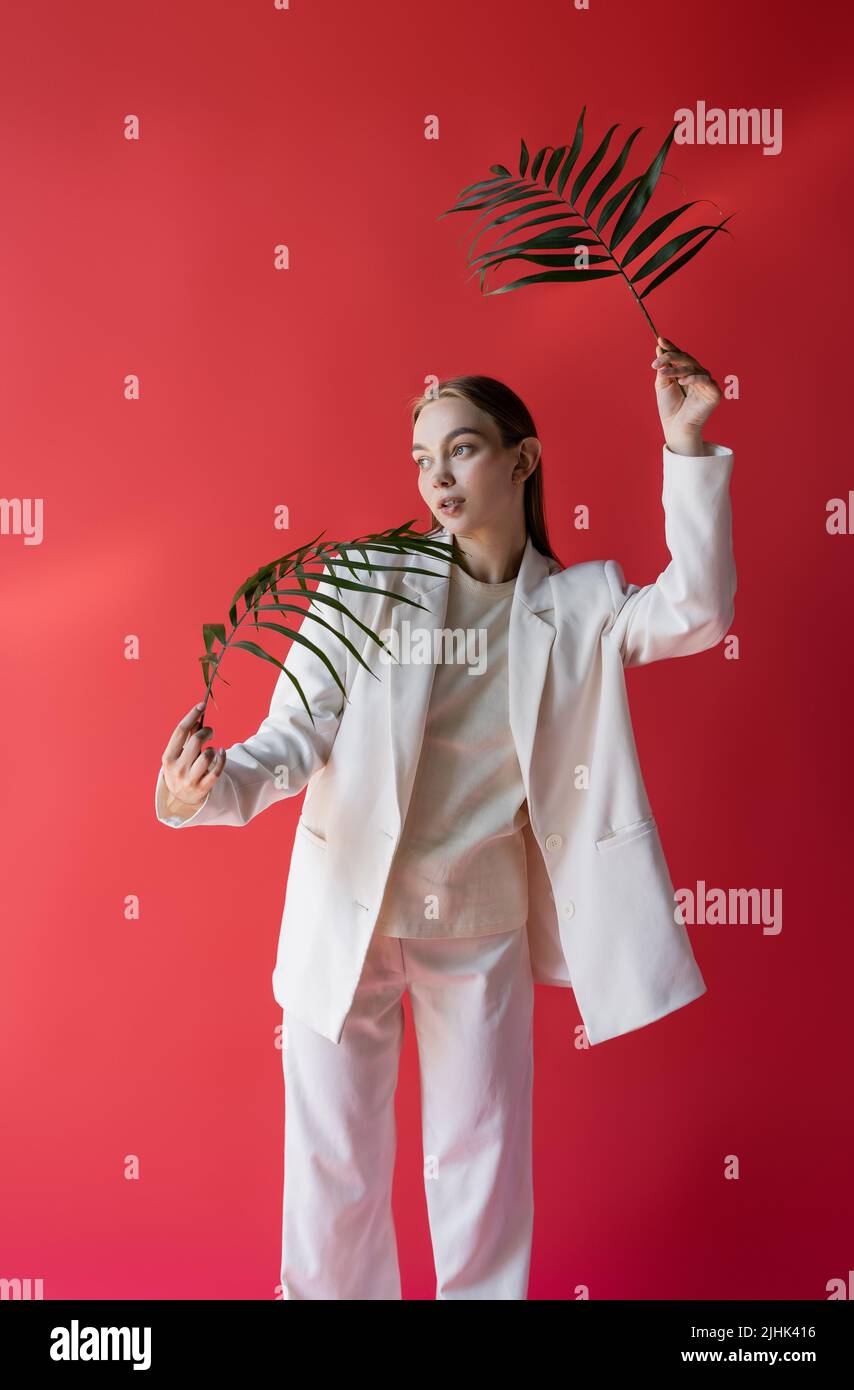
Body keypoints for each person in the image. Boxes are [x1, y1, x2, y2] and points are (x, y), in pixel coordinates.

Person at [155, 335, 736, 1299]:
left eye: (461, 449)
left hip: (482, 932)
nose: (437, 478)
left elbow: (699, 610)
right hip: (351, 916)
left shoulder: (581, 606)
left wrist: (685, 446)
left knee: (483, 1176)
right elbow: (292, 736)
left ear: (521, 457)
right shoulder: (363, 585)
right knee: (333, 1180)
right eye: (424, 460)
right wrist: (205, 789)